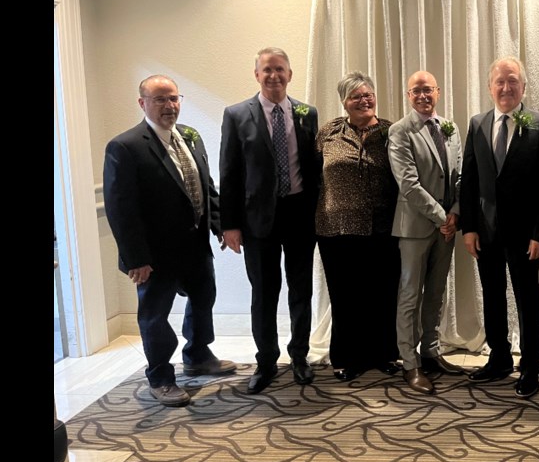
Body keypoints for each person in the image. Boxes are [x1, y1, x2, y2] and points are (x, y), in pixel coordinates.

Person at [103, 75, 236, 407]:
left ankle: (197, 354)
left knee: (204, 298)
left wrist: (220, 225)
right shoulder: (125, 146)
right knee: (155, 315)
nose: (169, 106)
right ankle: (161, 377)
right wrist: (136, 258)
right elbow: (120, 208)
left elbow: (206, 187)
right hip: (154, 254)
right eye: (160, 99)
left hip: (195, 246)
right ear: (142, 103)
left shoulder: (190, 137)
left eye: (173, 98)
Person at [460, 57, 539, 398]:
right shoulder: (477, 123)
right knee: (492, 297)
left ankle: (530, 367)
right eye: (500, 82)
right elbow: (470, 181)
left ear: (523, 86)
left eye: (513, 81)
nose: (506, 88)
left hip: (525, 236)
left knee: (527, 300)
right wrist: (469, 228)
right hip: (485, 233)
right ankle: (499, 358)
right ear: (490, 86)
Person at [219, 47, 319, 394]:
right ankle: (266, 361)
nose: (273, 75)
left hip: (300, 216)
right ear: (256, 74)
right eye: (267, 70)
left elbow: (314, 169)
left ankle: (301, 356)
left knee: (301, 291)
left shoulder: (308, 113)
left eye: (280, 69)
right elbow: (228, 174)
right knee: (264, 293)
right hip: (256, 221)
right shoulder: (235, 115)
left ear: (290, 74)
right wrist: (228, 224)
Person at [315, 72, 400, 381]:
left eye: (368, 94)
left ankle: (384, 354)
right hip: (336, 228)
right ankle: (347, 357)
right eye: (356, 96)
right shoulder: (328, 132)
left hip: (384, 228)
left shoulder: (392, 132)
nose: (364, 100)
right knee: (345, 295)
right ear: (344, 102)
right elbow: (313, 177)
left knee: (382, 293)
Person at [387, 70, 464, 395]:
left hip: (447, 227)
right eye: (416, 90)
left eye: (428, 90)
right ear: (408, 95)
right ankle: (410, 363)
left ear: (438, 91)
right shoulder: (400, 131)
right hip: (416, 227)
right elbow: (408, 184)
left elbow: (460, 175)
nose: (422, 95)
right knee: (409, 295)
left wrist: (456, 213)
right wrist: (441, 217)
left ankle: (431, 351)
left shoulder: (450, 127)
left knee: (436, 292)